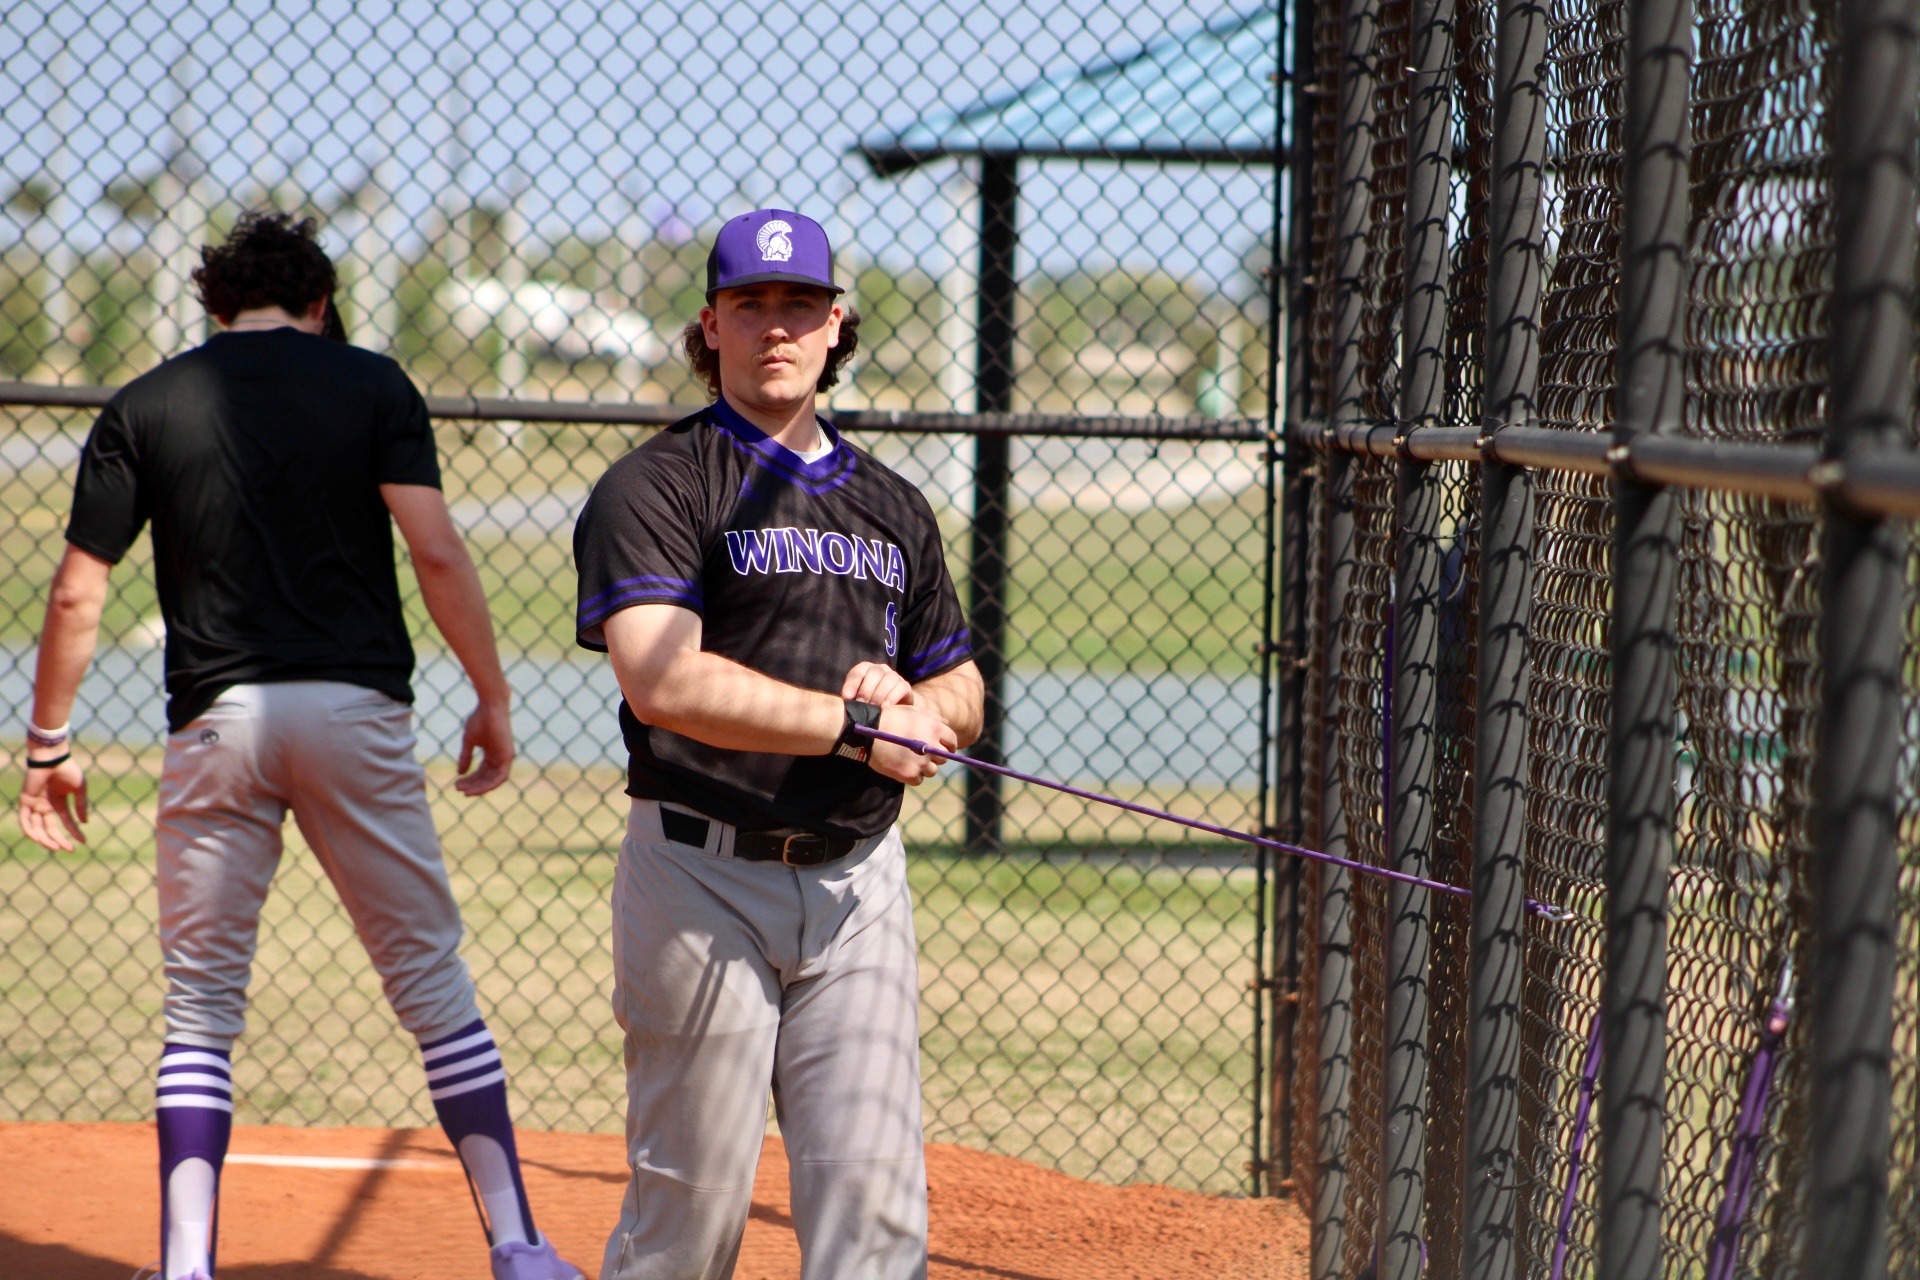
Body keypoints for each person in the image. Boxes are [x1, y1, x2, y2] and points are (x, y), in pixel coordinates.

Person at [15, 212, 583, 1280]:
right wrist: (492, 694)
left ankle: (186, 1267)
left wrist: (48, 743)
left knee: (198, 1008)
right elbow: (438, 551)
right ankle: (517, 1244)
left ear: (211, 305)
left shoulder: (144, 402)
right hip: (356, 712)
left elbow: (76, 588)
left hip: (216, 722)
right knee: (432, 983)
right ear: (320, 304)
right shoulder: (371, 384)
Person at [573, 208, 984, 1280]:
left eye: (797, 303)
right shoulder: (658, 485)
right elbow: (662, 677)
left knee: (876, 1208)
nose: (774, 327)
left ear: (835, 321)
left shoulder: (893, 503)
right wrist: (856, 724)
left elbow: (964, 685)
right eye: (749, 305)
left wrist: (917, 700)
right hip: (701, 876)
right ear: (709, 325)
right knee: (691, 1216)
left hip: (858, 883)